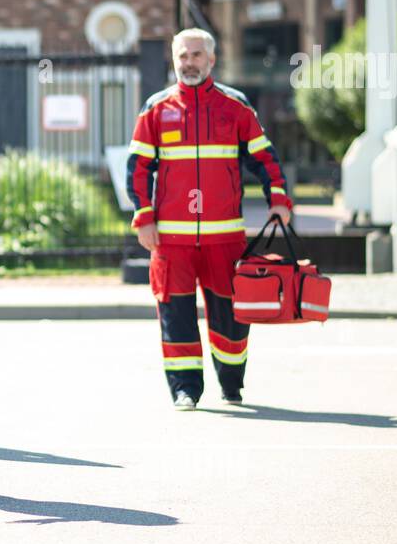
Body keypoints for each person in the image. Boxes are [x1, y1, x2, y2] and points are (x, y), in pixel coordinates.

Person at [126, 28, 293, 410]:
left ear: (212, 59)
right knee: (176, 316)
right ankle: (185, 388)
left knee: (232, 315)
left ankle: (232, 382)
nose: (189, 63)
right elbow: (137, 169)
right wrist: (144, 218)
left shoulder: (235, 107)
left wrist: (279, 199)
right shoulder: (155, 109)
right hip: (171, 241)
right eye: (182, 56)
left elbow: (264, 159)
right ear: (174, 60)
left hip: (225, 238)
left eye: (196, 55)